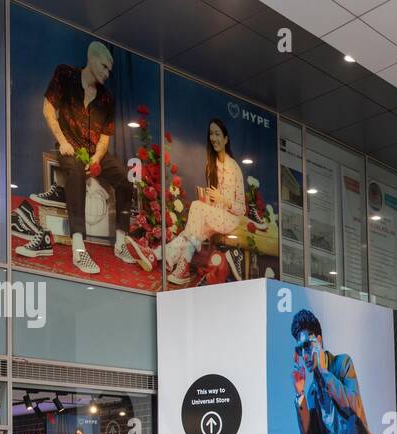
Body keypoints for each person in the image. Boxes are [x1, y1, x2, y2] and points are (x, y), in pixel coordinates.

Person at [22, 41, 145, 275]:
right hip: (69, 145)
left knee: (124, 180)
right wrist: (63, 140)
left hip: (94, 151)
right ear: (91, 58)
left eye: (110, 70)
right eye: (105, 67)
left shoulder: (107, 98)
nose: (108, 73)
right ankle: (79, 246)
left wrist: (98, 158)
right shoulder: (65, 74)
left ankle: (121, 241)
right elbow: (48, 108)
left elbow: (105, 136)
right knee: (76, 172)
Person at [163, 118, 249, 285]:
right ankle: (169, 259)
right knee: (190, 232)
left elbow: (242, 209)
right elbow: (212, 202)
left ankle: (179, 264)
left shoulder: (234, 168)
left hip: (229, 220)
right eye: (211, 134)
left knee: (196, 208)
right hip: (213, 216)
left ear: (225, 139)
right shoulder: (211, 165)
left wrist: (222, 200)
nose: (214, 138)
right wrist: (208, 200)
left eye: (217, 134)